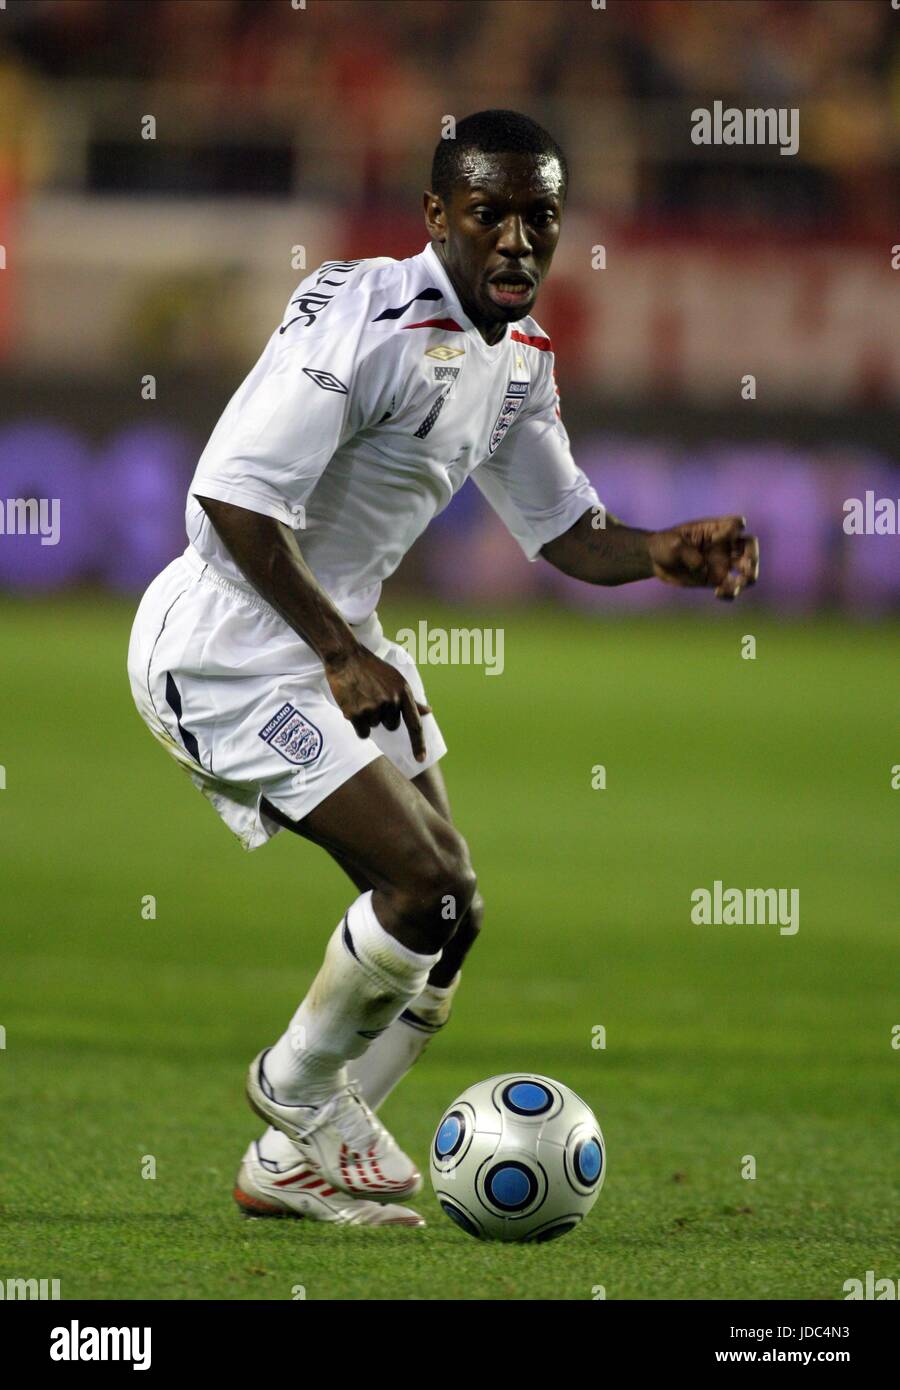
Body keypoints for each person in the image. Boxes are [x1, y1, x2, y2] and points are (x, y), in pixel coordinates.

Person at [127, 109, 759, 1229]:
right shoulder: (363, 316)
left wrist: (661, 550)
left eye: (541, 216)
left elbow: (565, 528)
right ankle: (296, 1089)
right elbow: (228, 498)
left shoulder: (518, 362)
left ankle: (290, 1161)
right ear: (436, 215)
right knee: (421, 886)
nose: (518, 239)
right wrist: (334, 653)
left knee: (453, 911)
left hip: (337, 641)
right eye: (490, 213)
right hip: (227, 650)